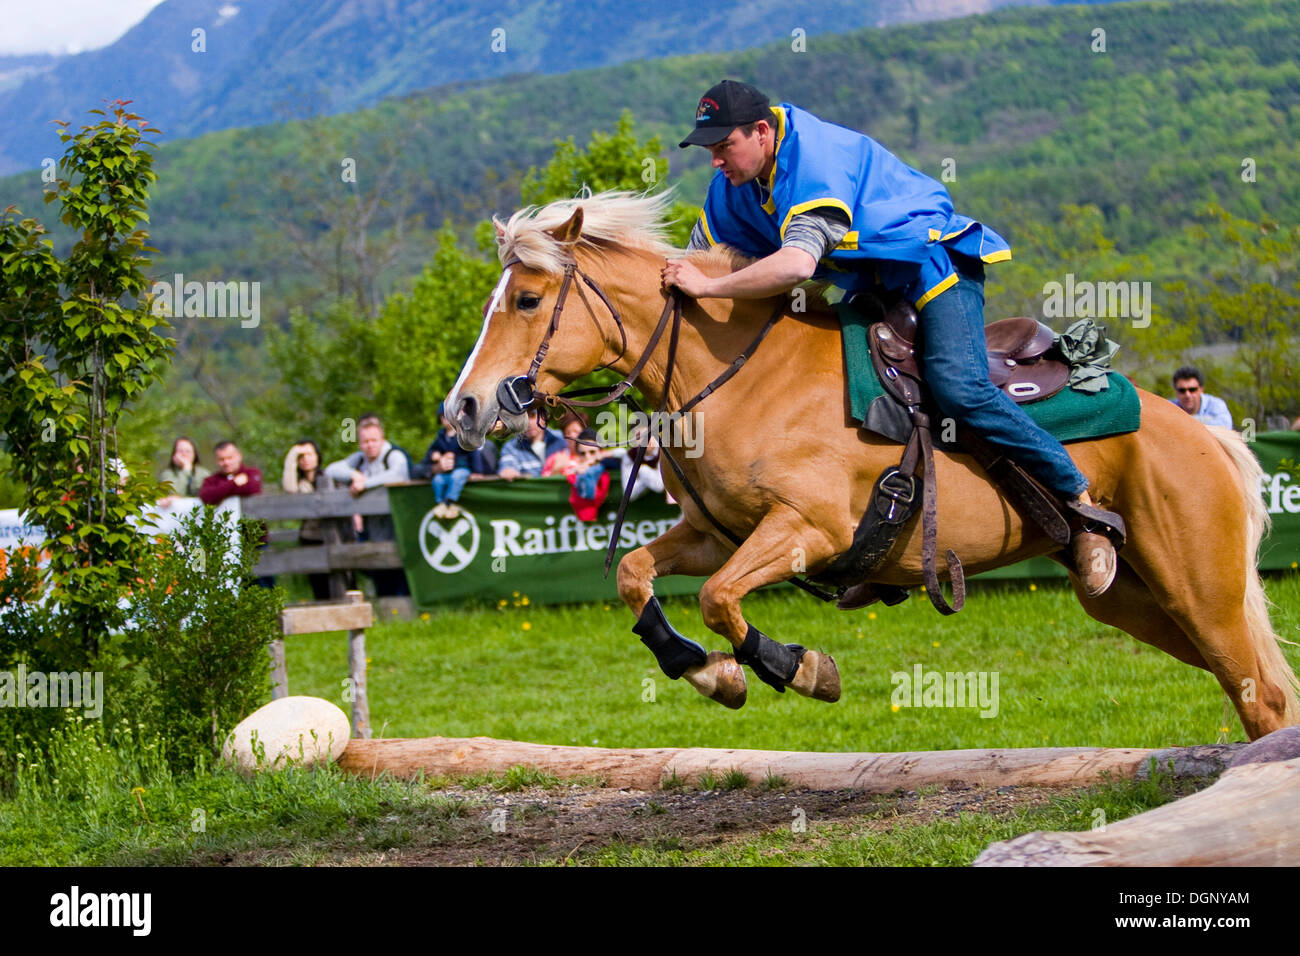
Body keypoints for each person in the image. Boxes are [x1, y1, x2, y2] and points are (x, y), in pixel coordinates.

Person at [663, 79, 1125, 599]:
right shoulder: (735, 185)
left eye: (724, 146)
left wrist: (710, 285)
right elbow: (694, 261)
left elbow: (795, 264)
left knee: (958, 387)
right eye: (710, 150)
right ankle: (883, 549)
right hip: (872, 287)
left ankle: (1083, 507)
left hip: (933, 270)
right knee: (843, 393)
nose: (716, 161)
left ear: (762, 132)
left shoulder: (814, 158)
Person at [324, 414, 410, 597]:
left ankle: (404, 612)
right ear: (359, 444)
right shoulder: (359, 460)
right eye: (365, 441)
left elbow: (398, 475)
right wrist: (353, 476)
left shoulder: (394, 456)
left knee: (401, 574)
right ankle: (387, 613)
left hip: (398, 527)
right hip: (373, 529)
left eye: (373, 440)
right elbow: (331, 470)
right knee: (379, 571)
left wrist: (366, 483)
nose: (369, 445)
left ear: (382, 440)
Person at [200, 440, 272, 588]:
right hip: (226, 545)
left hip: (255, 541)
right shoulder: (211, 480)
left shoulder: (252, 473)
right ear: (216, 461)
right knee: (237, 587)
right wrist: (233, 484)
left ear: (239, 456)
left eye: (229, 457)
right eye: (221, 459)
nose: (226, 462)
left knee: (264, 585)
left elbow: (252, 487)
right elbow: (207, 496)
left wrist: (223, 491)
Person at [282, 439, 346, 601]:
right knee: (318, 583)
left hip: (333, 536)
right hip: (310, 537)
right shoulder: (300, 484)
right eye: (301, 457)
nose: (305, 459)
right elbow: (289, 488)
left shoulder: (330, 478)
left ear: (318, 456)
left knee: (341, 579)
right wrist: (292, 455)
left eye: (309, 454)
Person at [421, 404, 495, 518]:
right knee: (437, 480)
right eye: (444, 417)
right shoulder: (440, 437)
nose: (447, 420)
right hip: (445, 472)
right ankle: (441, 503)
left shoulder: (464, 434)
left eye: (449, 416)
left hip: (462, 468)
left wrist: (477, 471)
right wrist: (433, 455)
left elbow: (473, 453)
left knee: (457, 476)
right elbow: (431, 451)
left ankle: (448, 502)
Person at [497, 408, 568, 480]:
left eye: (532, 416)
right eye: (522, 419)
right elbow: (507, 466)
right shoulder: (511, 447)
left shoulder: (562, 439)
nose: (527, 422)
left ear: (544, 416)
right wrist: (507, 471)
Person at [159, 436, 211, 506]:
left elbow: (203, 494)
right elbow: (176, 493)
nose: (184, 454)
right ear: (174, 454)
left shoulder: (204, 473)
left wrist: (187, 467)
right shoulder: (167, 474)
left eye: (188, 451)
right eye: (180, 451)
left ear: (194, 454)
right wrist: (185, 469)